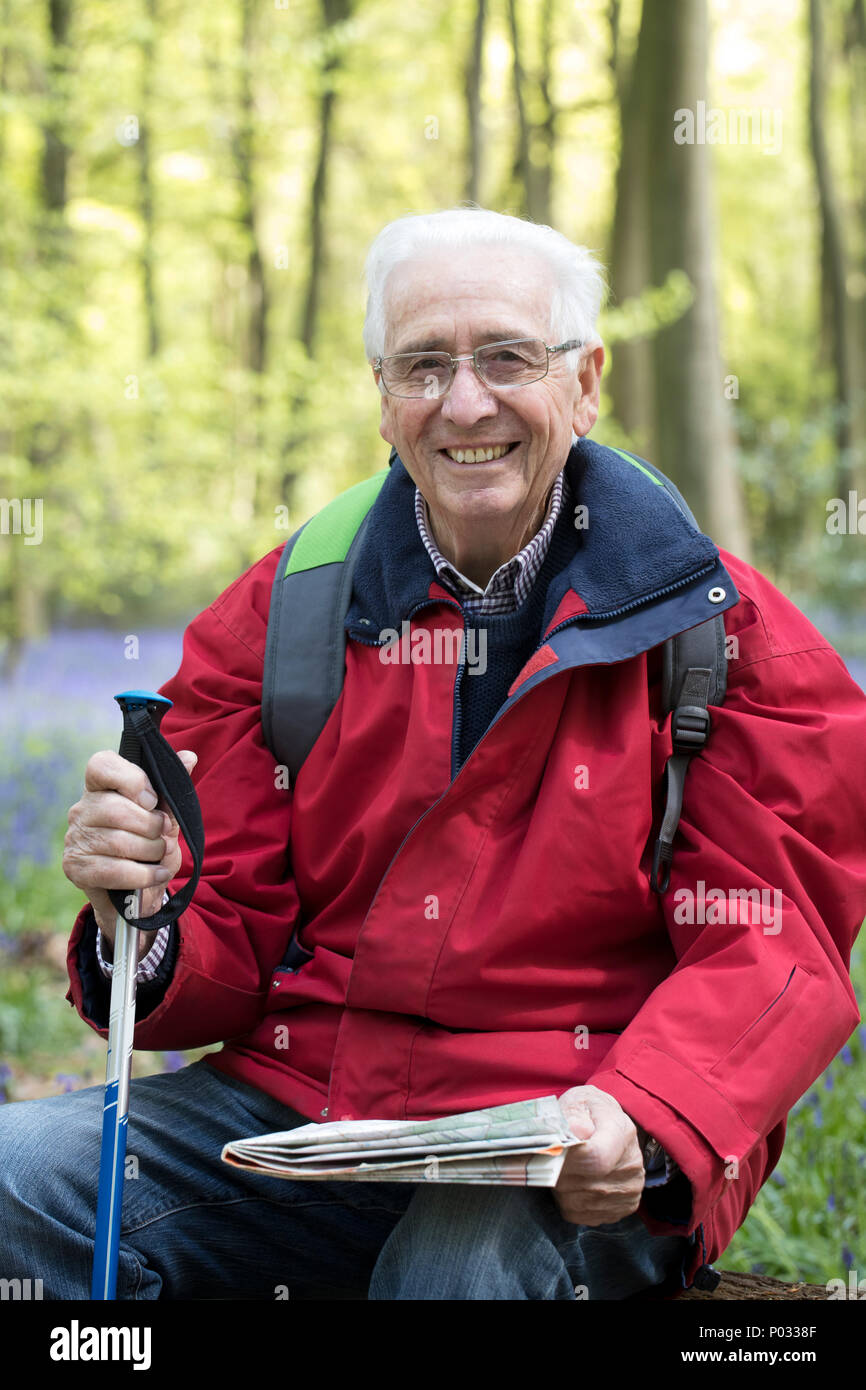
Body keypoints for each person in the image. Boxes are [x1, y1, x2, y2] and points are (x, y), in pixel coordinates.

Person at [3, 207, 866, 1302]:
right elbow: (220, 942)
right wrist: (148, 903)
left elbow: (769, 942)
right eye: (421, 366)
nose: (464, 403)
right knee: (15, 1179)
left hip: (564, 1123)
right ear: (381, 398)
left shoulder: (717, 632)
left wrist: (639, 1116)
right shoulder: (282, 615)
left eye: (507, 356)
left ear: (585, 382)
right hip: (301, 1111)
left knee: (453, 1270)